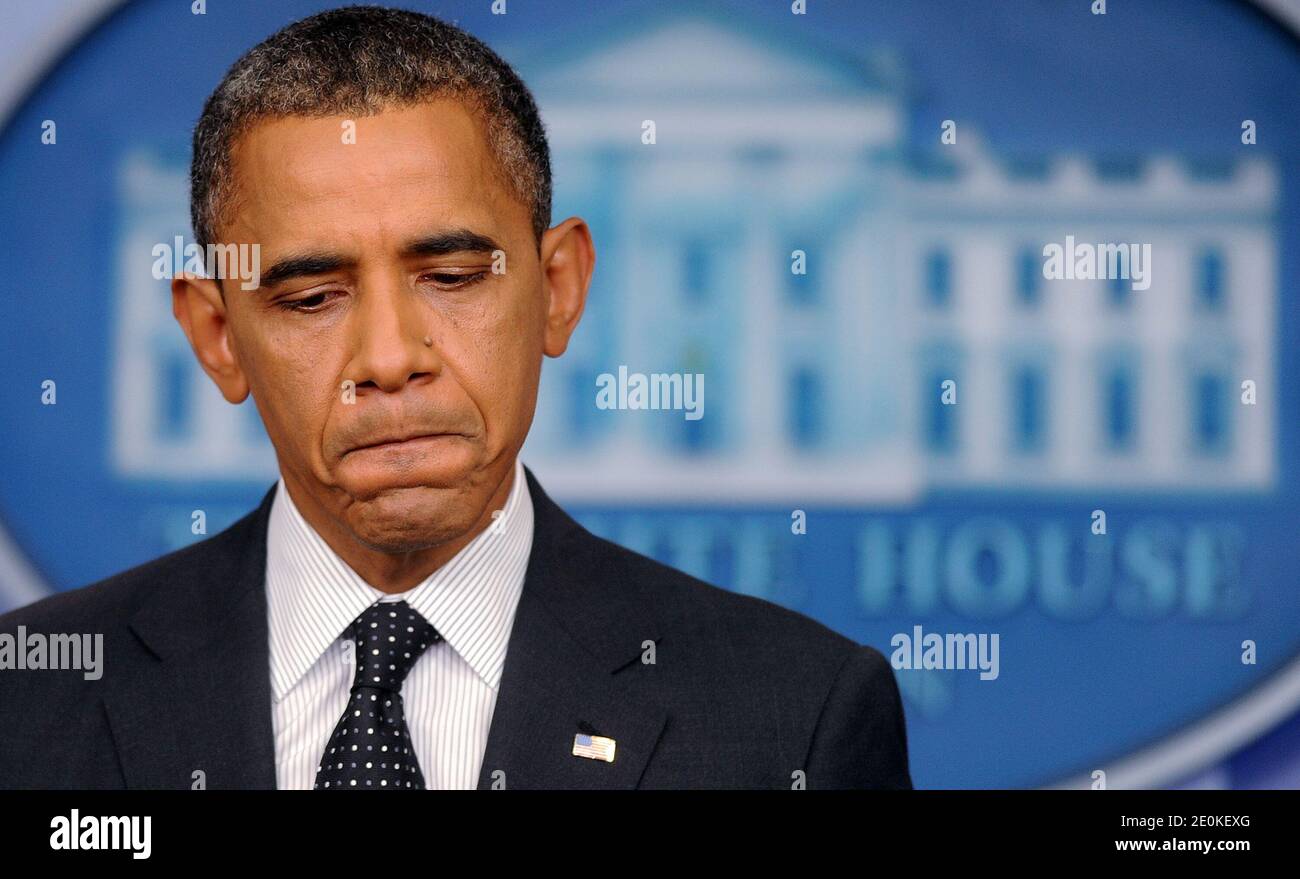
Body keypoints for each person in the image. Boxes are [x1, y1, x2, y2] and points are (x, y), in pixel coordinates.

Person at [0, 5, 910, 790]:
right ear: (217, 335)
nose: (390, 358)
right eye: (313, 297)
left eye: (453, 276)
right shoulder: (26, 701)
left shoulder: (793, 721)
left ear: (557, 288)